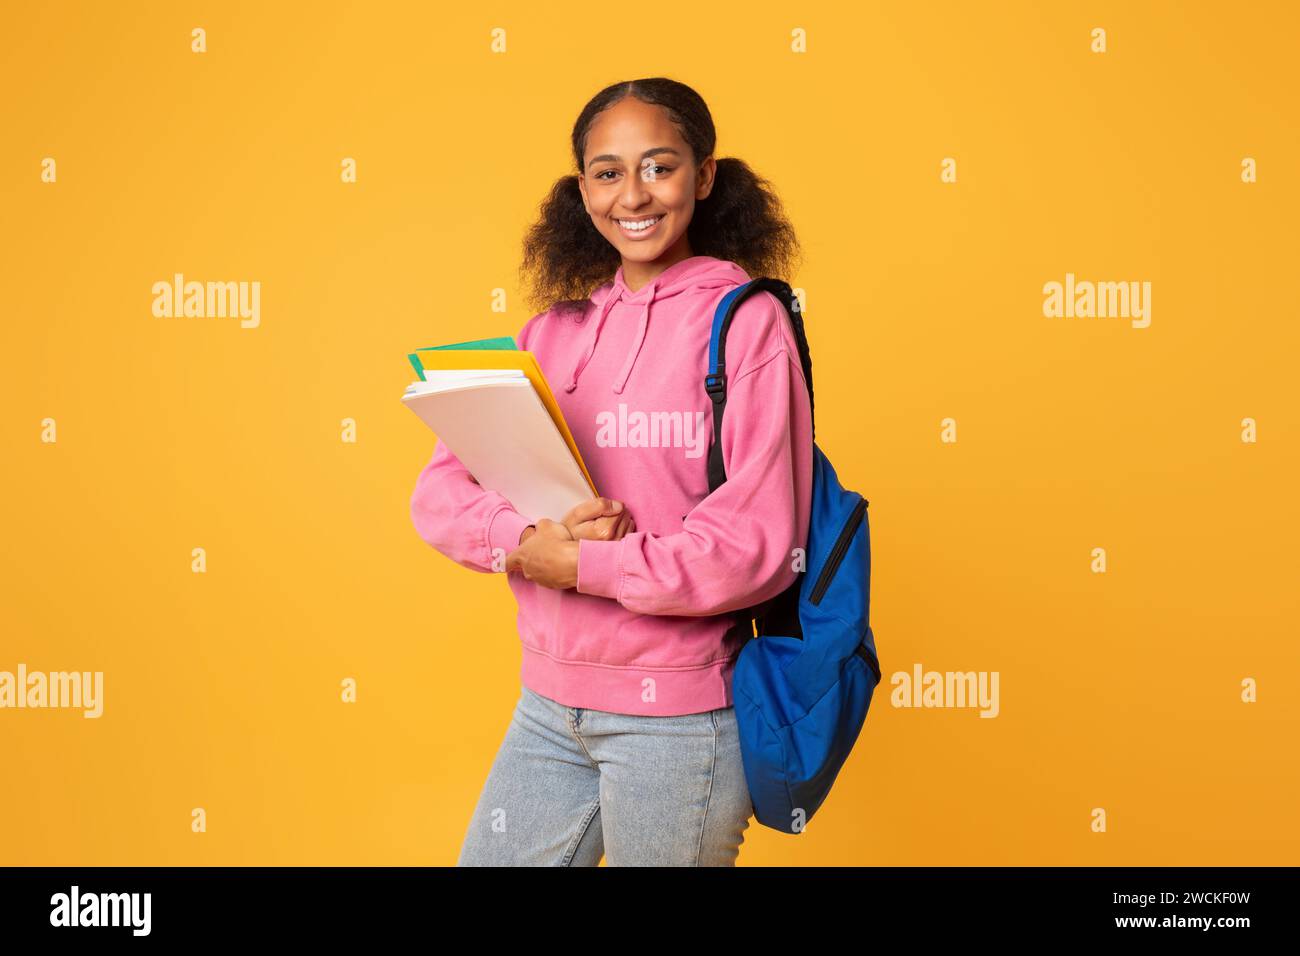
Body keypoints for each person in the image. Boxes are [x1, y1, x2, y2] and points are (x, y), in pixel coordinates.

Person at [409, 76, 813, 866]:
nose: (634, 193)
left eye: (659, 167)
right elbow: (438, 494)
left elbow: (756, 546)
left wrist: (586, 565)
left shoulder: (749, 323)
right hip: (548, 706)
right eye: (607, 171)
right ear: (581, 190)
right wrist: (526, 540)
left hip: (681, 718)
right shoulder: (551, 330)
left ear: (704, 177)